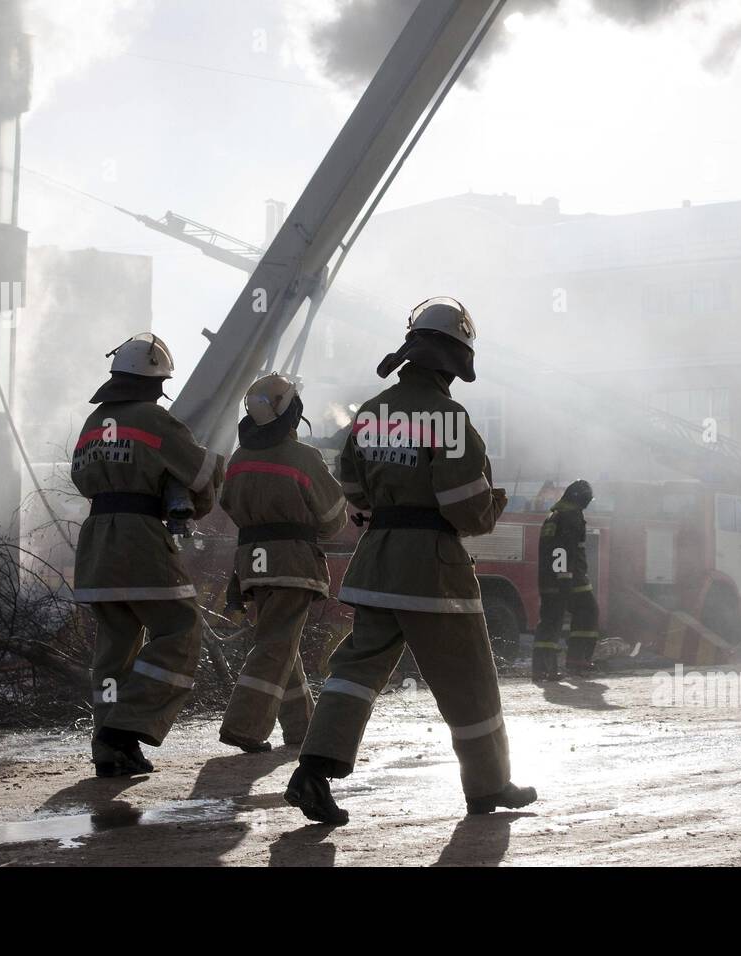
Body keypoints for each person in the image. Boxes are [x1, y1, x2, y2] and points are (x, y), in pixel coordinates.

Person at [284, 296, 537, 825]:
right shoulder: (448, 417)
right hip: (433, 572)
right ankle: (488, 785)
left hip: (376, 563)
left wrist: (381, 506)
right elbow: (465, 507)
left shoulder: (373, 410)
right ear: (456, 362)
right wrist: (493, 505)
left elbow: (349, 481)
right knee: (469, 678)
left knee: (355, 670)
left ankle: (312, 769)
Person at [70, 333, 223, 777]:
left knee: (114, 649)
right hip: (138, 537)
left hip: (97, 541)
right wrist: (210, 476)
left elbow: (82, 479)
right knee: (180, 628)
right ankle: (127, 727)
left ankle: (109, 749)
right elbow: (199, 474)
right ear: (155, 382)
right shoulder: (156, 421)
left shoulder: (93, 423)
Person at [217, 373, 347, 753]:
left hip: (252, 565)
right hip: (292, 563)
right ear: (293, 413)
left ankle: (300, 727)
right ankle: (244, 725)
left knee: (279, 640)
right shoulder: (303, 457)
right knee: (276, 643)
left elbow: (228, 504)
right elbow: (333, 517)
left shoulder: (239, 459)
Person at [533, 479, 600, 681]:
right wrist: (564, 579)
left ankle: (543, 667)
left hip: (548, 578)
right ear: (581, 498)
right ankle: (578, 659)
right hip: (571, 579)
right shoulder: (570, 516)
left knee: (551, 620)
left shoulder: (553, 516)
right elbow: (562, 549)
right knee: (589, 611)